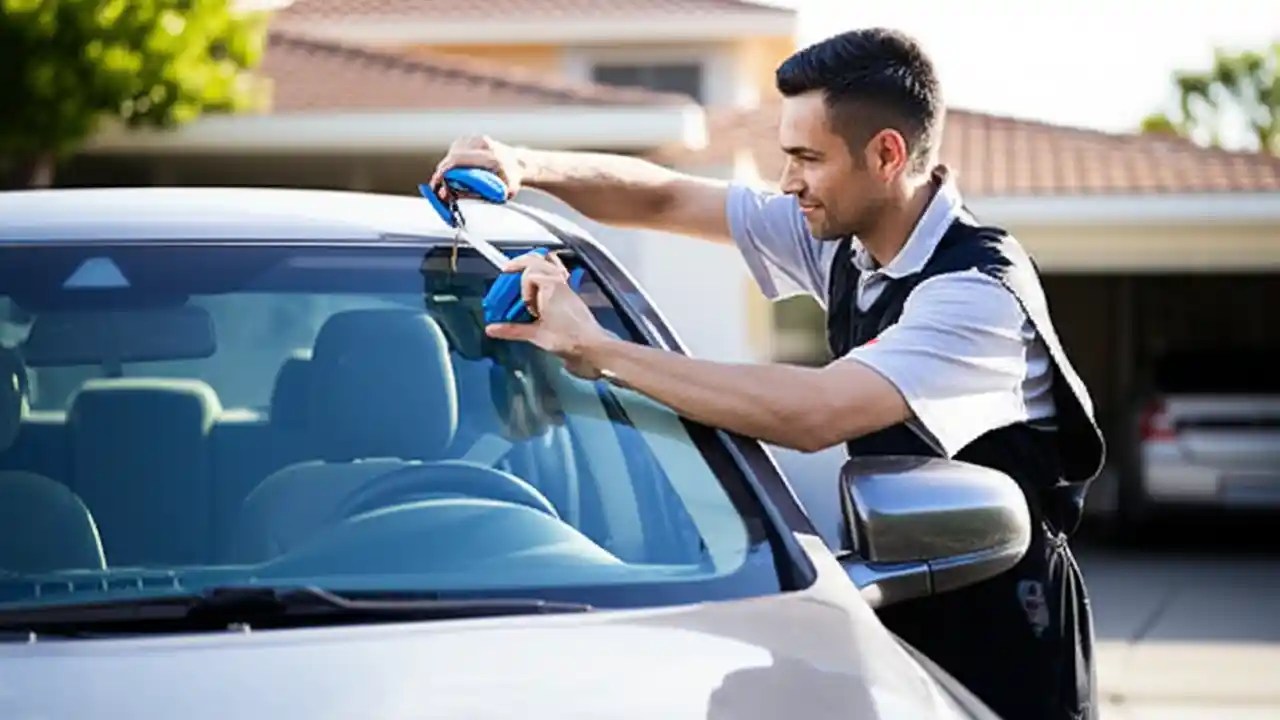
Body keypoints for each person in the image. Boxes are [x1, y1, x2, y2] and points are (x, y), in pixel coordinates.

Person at [430, 27, 1106, 720]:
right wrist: (523, 164)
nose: (788, 182)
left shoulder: (976, 294)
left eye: (807, 158)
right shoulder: (848, 239)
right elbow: (665, 199)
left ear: (886, 154)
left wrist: (598, 349)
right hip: (900, 605)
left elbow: (813, 412)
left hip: (1004, 633)